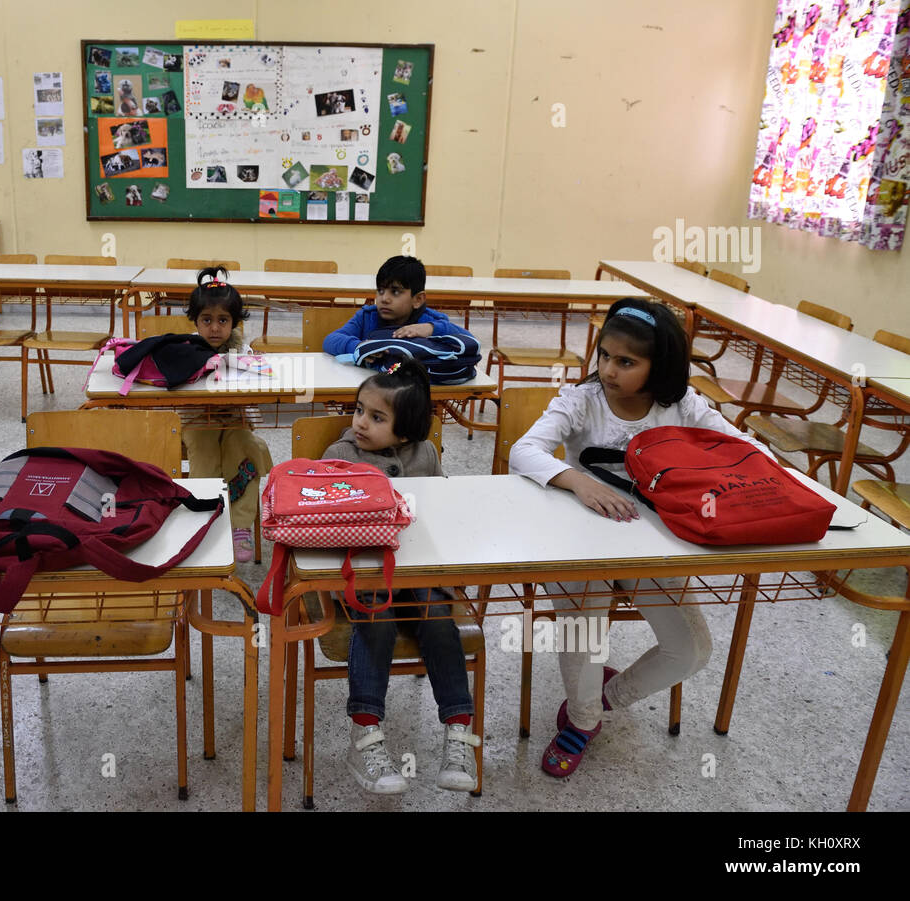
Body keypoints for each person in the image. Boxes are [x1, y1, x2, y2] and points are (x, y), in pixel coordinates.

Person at [509, 297, 774, 777]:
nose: (608, 370)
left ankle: (605, 700)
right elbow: (522, 451)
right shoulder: (580, 400)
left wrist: (772, 476)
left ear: (660, 367)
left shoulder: (681, 405)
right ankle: (582, 721)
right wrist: (578, 481)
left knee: (692, 651)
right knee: (584, 629)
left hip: (653, 544)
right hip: (579, 542)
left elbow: (744, 448)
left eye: (626, 362)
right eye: (604, 356)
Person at [320, 357, 479, 794]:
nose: (360, 424)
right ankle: (365, 734)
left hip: (419, 572)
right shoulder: (339, 456)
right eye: (358, 410)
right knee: (378, 625)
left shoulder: (425, 453)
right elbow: (326, 519)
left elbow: (440, 511)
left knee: (439, 625)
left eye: (376, 417)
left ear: (406, 430)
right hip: (365, 576)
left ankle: (458, 730)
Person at [181, 267, 273, 562]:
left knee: (247, 447)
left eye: (223, 320)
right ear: (195, 321)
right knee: (206, 451)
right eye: (207, 320)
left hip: (235, 417)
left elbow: (260, 377)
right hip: (195, 420)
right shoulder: (184, 350)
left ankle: (240, 525)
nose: (215, 328)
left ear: (234, 322)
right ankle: (205, 515)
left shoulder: (243, 350)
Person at [323, 255, 472, 356]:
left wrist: (431, 329)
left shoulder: (430, 321)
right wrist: (359, 346)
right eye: (380, 291)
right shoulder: (367, 317)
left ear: (418, 299)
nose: (384, 299)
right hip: (369, 387)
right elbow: (330, 340)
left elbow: (471, 342)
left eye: (395, 292)